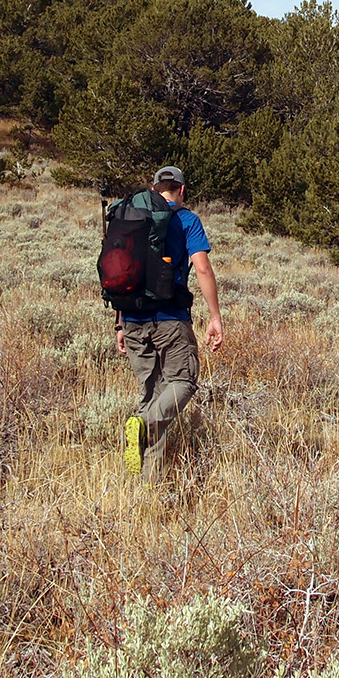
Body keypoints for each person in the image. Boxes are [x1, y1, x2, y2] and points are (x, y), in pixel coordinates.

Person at [114, 164, 222, 478]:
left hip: (132, 319)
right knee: (183, 382)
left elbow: (122, 273)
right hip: (171, 319)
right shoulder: (187, 220)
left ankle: (149, 483)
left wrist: (120, 323)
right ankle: (143, 424)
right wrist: (215, 317)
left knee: (152, 394)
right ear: (182, 189)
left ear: (154, 188)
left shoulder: (131, 218)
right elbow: (202, 268)